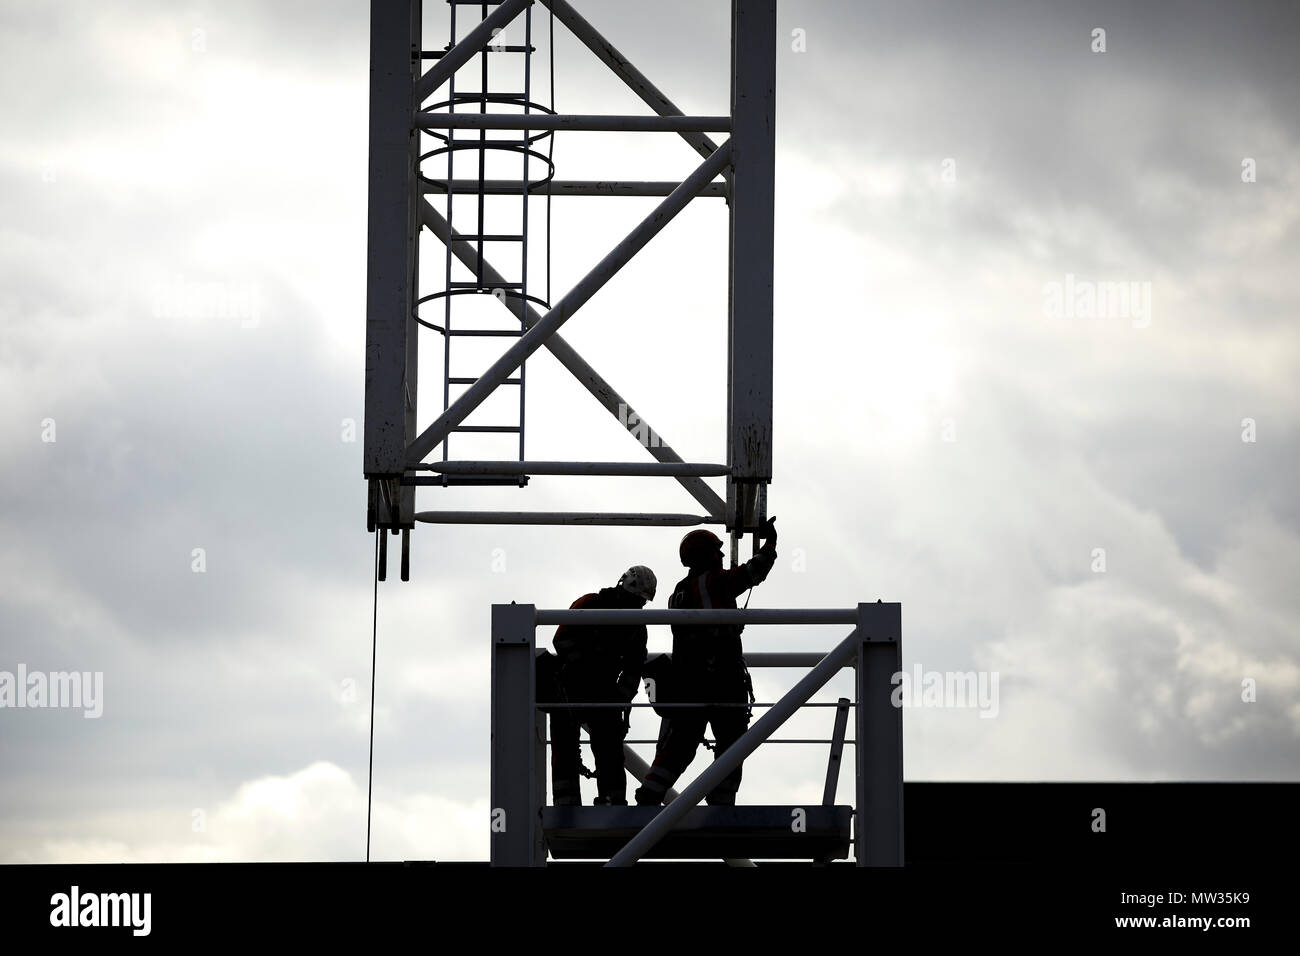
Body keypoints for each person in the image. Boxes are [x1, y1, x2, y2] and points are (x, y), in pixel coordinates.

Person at [634, 518, 778, 807]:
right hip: (720, 680)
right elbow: (753, 571)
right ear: (705, 555)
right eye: (717, 551)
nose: (722, 556)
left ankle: (649, 794)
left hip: (688, 682)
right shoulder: (712, 582)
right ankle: (721, 804)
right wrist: (770, 543)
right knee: (732, 743)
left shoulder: (679, 592)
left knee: (679, 746)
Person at [550, 565, 656, 806]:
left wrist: (621, 698)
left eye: (642, 602)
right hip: (569, 686)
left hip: (604, 691)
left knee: (610, 750)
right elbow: (562, 639)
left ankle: (613, 802)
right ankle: (566, 804)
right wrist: (586, 669)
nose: (638, 606)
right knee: (565, 748)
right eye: (637, 599)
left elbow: (634, 666)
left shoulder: (637, 627)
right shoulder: (590, 604)